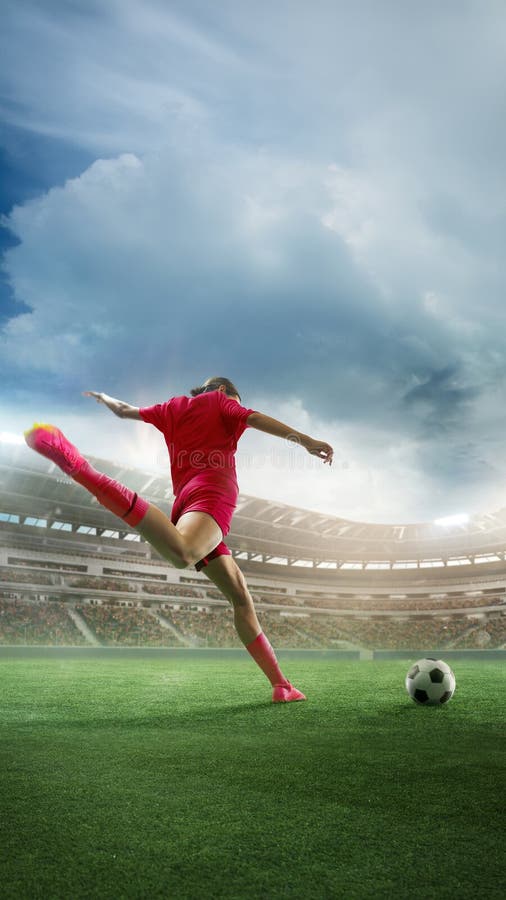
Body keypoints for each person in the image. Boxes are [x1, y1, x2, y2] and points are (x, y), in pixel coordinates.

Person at [24, 376, 333, 702]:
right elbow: (253, 418)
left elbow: (124, 411)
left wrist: (104, 397)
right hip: (214, 490)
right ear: (223, 390)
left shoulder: (172, 407)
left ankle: (282, 686)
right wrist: (306, 441)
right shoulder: (221, 400)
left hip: (186, 501)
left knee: (240, 596)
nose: (236, 410)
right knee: (183, 552)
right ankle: (83, 470)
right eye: (236, 401)